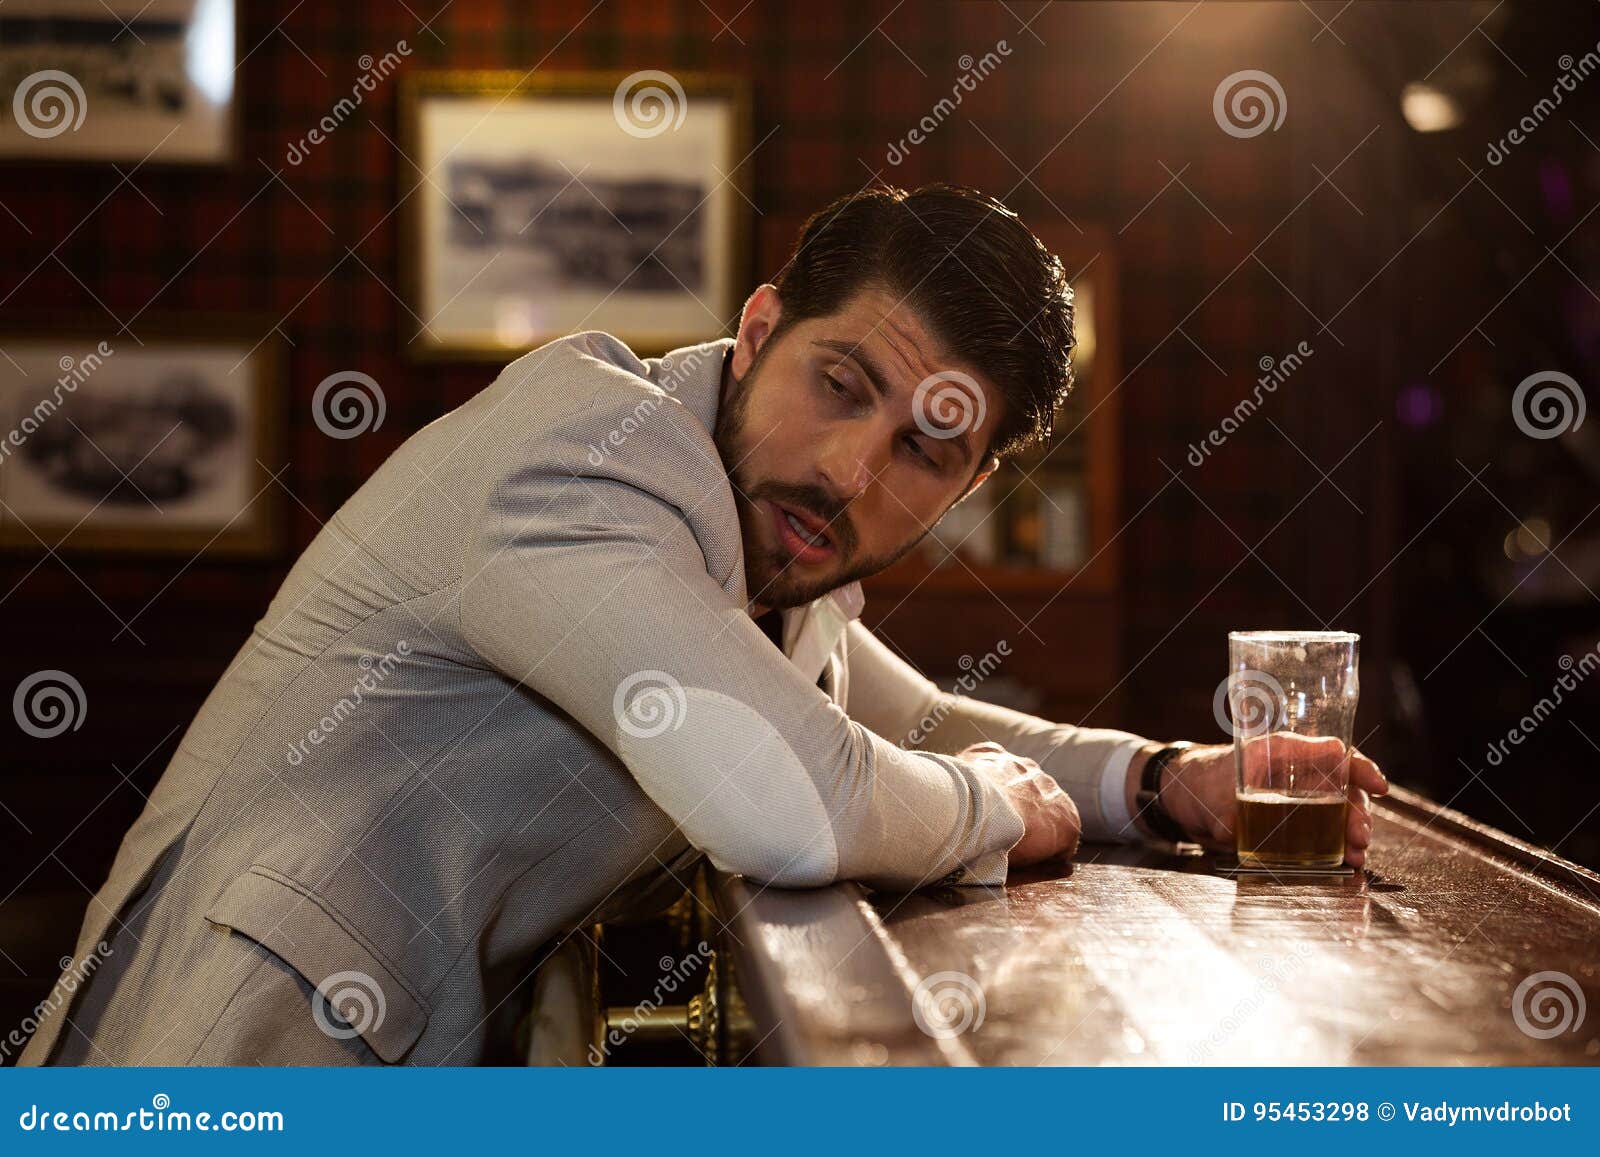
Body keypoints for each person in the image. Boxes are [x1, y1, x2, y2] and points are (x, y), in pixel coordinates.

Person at [20, 183, 1387, 1067]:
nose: (852, 470)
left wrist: (1155, 779)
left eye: (925, 450)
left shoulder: (759, 540)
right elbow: (793, 800)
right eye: (840, 382)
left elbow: (901, 717)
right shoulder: (600, 448)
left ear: (971, 486)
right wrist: (986, 811)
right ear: (758, 323)